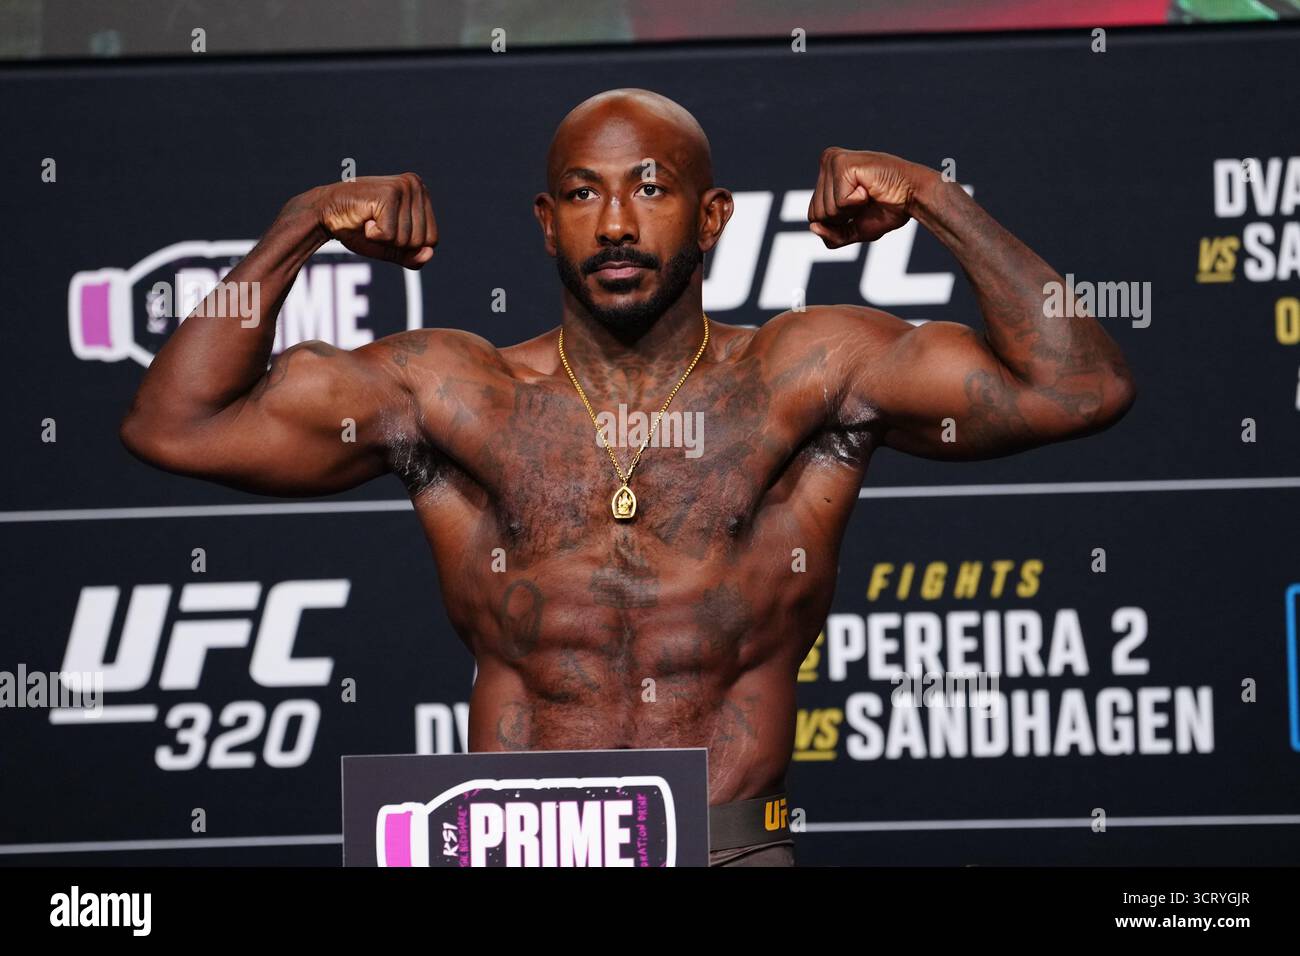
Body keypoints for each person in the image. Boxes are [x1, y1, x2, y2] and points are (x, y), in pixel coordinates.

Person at [119, 88, 1135, 866]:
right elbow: (177, 424)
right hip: (515, 844)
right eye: (581, 194)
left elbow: (1078, 388)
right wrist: (303, 222)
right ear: (544, 220)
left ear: (712, 216)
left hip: (726, 841)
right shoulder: (452, 394)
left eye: (649, 188)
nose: (613, 224)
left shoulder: (806, 377)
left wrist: (932, 194)